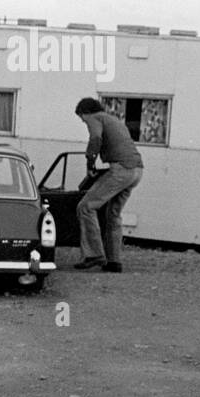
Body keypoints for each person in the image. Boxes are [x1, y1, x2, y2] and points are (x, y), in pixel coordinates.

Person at [72, 97, 144, 272]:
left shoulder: (95, 118)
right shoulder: (114, 120)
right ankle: (114, 261)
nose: (82, 121)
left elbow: (95, 138)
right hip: (137, 170)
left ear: (86, 112)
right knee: (113, 213)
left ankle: (93, 255)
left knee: (85, 207)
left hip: (121, 169)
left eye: (81, 117)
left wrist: (90, 163)